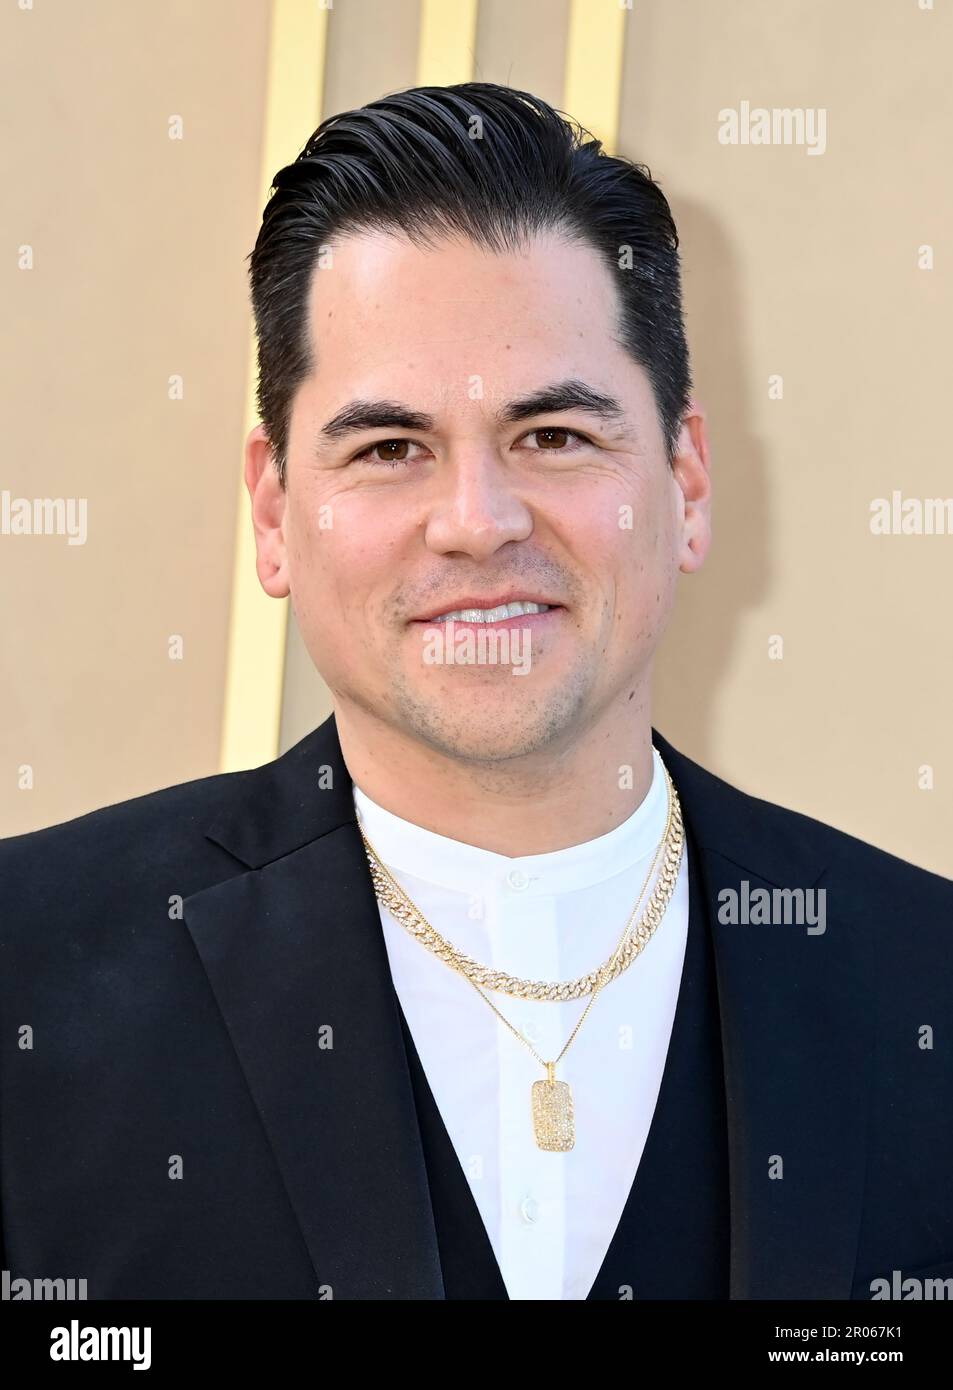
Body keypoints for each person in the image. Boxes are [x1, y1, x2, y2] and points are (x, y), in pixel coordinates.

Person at [2, 83, 951, 1302]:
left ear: (687, 480)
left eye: (552, 436)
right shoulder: (27, 973)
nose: (475, 523)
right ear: (274, 508)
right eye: (389, 449)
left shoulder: (923, 982)